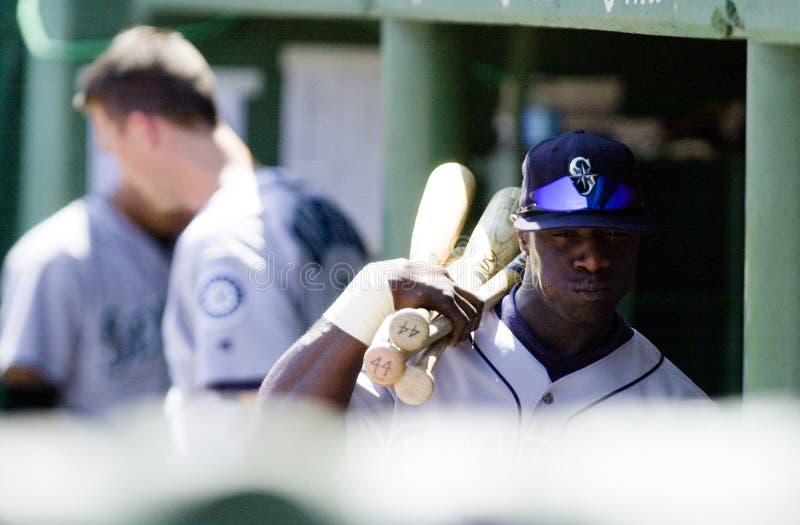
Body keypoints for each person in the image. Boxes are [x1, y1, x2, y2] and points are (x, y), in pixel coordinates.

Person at [260, 130, 710, 441]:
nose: (592, 257)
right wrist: (373, 289)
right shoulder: (417, 352)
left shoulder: (677, 407)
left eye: (612, 235)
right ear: (523, 238)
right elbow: (276, 440)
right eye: (565, 236)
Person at [72, 26, 367, 430]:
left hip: (266, 489)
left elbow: (275, 429)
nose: (120, 175)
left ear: (144, 131)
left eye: (112, 148)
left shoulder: (224, 238)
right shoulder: (315, 204)